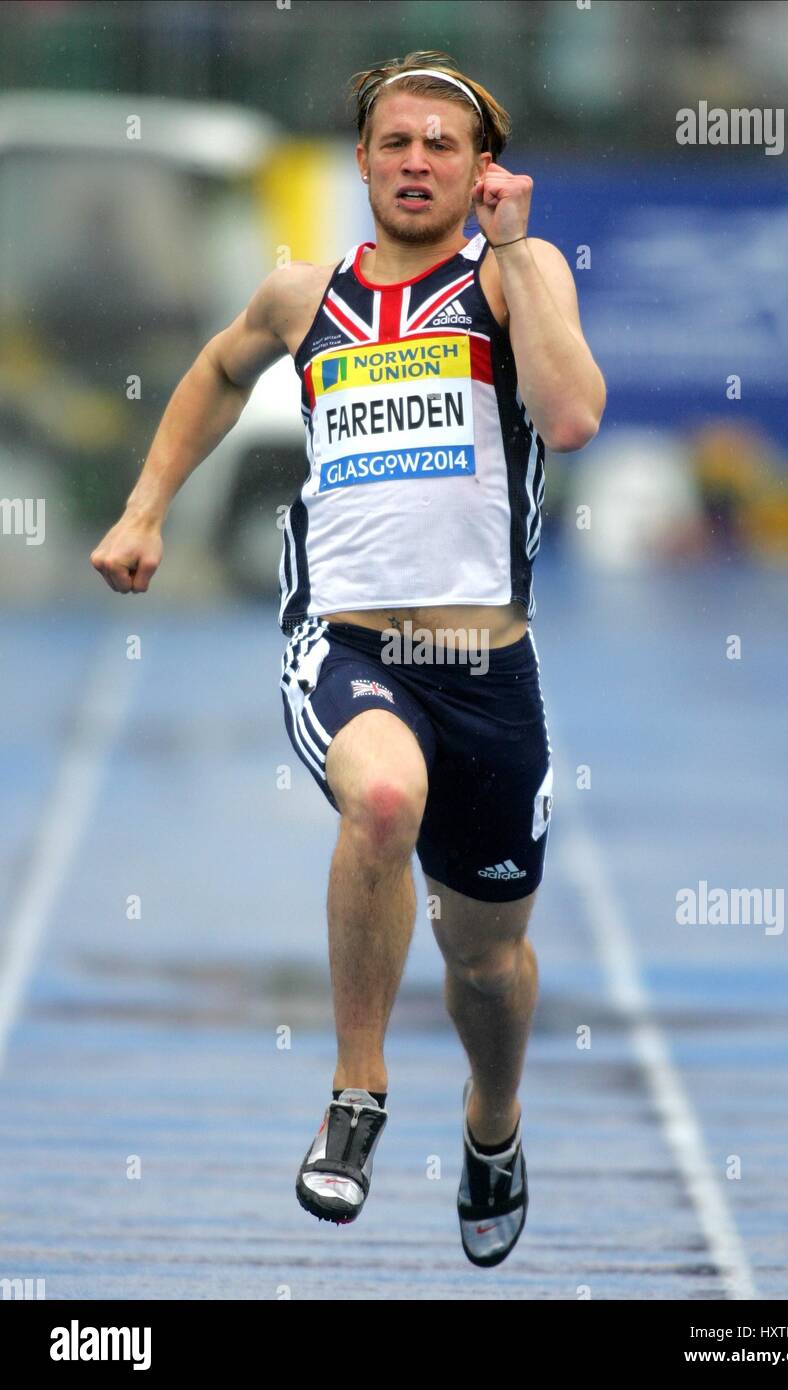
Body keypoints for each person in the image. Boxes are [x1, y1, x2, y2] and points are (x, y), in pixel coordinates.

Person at [90, 49, 605, 1268]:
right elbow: (220, 370)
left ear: (482, 166)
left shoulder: (512, 284)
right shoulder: (302, 295)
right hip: (349, 645)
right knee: (380, 799)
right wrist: (147, 506)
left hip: (488, 672)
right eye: (394, 142)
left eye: (442, 144)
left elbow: (573, 415)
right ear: (361, 161)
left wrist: (523, 258)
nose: (416, 161)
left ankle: (491, 1124)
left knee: (486, 964)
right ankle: (357, 1093)